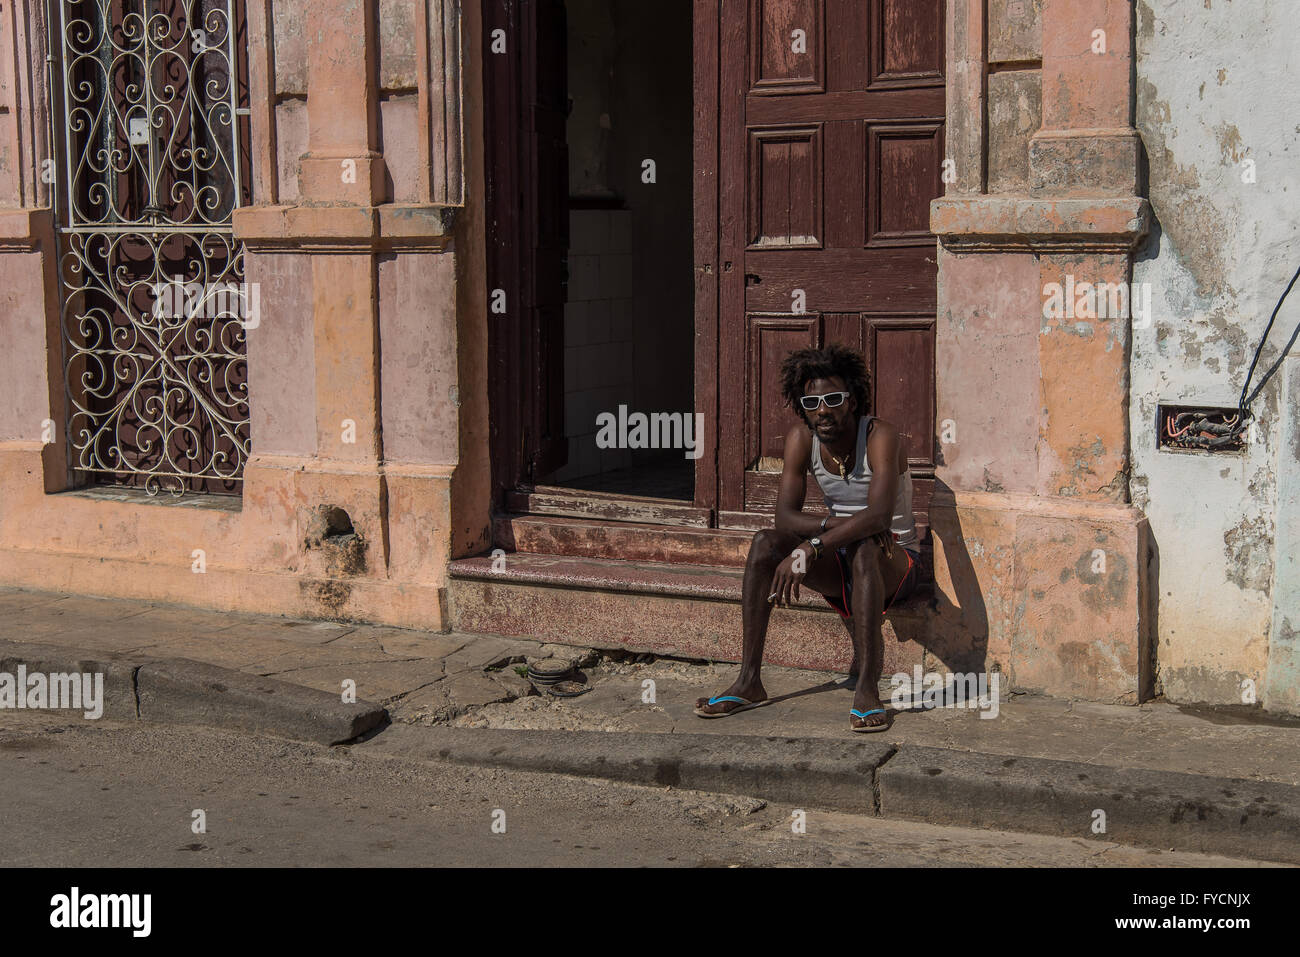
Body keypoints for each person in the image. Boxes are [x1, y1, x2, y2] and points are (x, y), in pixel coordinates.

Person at [694, 345, 920, 732]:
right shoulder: (801, 438)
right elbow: (784, 517)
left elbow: (880, 517)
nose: (823, 410)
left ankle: (867, 687)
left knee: (867, 546)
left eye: (833, 399)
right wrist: (829, 531)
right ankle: (749, 679)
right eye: (812, 401)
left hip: (895, 558)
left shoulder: (880, 435)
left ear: (851, 401)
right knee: (765, 542)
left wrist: (812, 544)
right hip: (841, 550)